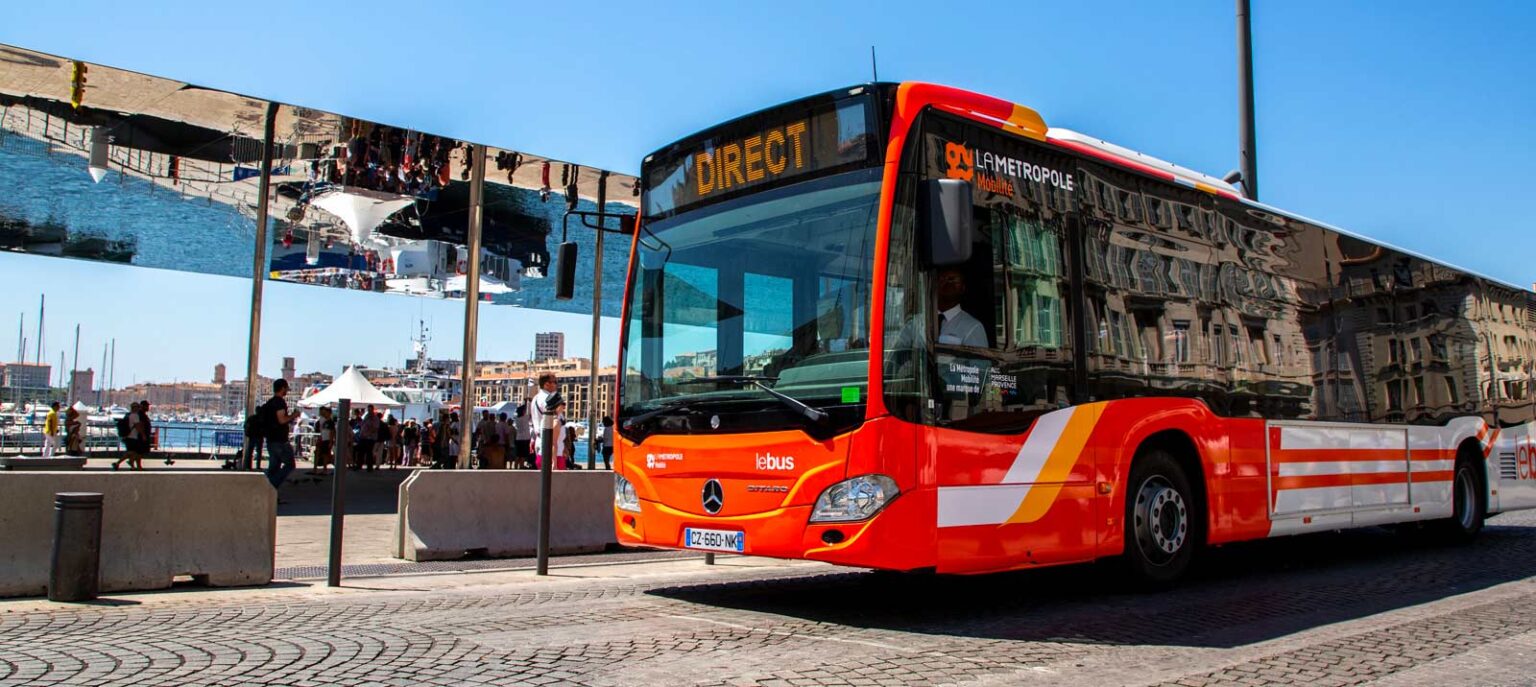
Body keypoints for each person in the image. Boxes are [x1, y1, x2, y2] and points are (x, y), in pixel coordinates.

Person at [261, 379, 300, 491]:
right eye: (286, 389)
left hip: (271, 439)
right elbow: (282, 420)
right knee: (290, 465)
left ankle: (267, 491)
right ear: (282, 388)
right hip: (280, 440)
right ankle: (272, 486)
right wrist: (294, 415)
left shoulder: (269, 403)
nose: (287, 391)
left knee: (274, 467)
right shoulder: (279, 402)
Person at [935, 267, 987, 348]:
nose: (949, 282)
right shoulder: (917, 322)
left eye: (954, 280)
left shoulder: (973, 327)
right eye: (943, 279)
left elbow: (978, 360)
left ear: (963, 288)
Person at [529, 373, 563, 470]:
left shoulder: (536, 398)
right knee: (556, 482)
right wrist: (554, 461)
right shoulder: (548, 399)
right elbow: (553, 423)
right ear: (546, 384)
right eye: (555, 382)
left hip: (541, 443)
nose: (556, 385)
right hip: (551, 449)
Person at [311, 406, 335, 476]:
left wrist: (331, 441)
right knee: (317, 452)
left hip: (327, 440)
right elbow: (322, 431)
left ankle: (325, 470)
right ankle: (315, 469)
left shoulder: (330, 422)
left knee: (325, 455)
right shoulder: (323, 420)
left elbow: (332, 432)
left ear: (329, 413)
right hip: (322, 439)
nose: (323, 413)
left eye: (325, 412)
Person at [357, 405, 380, 471]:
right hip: (363, 437)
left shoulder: (375, 418)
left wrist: (368, 433)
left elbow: (375, 428)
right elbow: (362, 425)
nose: (369, 411)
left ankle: (369, 467)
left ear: (372, 410)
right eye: (368, 410)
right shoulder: (366, 417)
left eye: (370, 410)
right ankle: (359, 465)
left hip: (370, 438)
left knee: (369, 452)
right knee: (360, 451)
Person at [513, 402, 532, 469]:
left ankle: (516, 465)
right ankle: (521, 465)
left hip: (518, 438)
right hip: (525, 438)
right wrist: (528, 403)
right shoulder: (525, 418)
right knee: (523, 454)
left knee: (518, 454)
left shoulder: (516, 419)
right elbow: (530, 413)